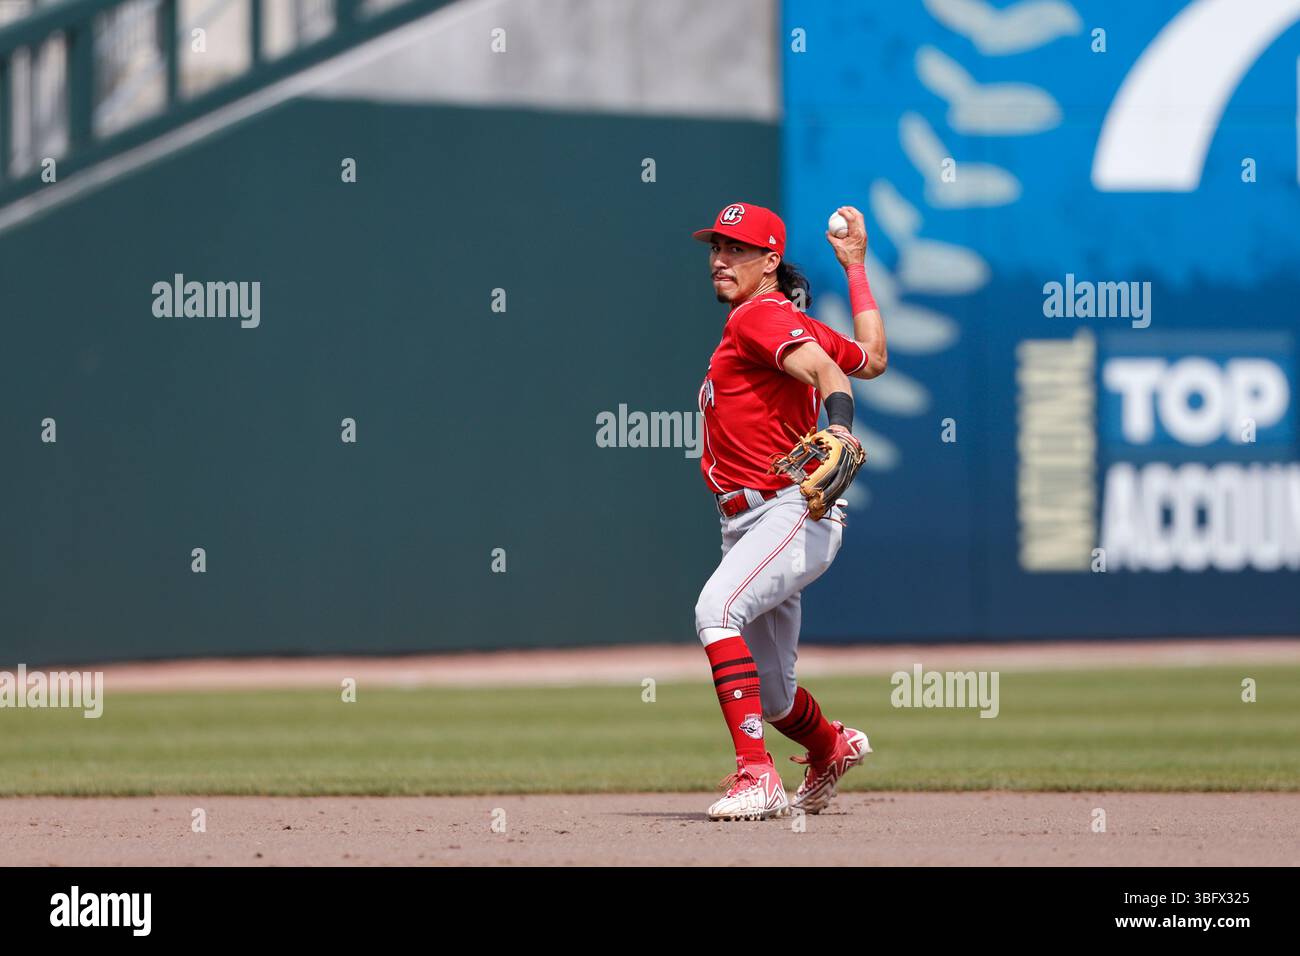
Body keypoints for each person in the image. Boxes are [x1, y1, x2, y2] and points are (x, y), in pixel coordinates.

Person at [691, 201, 888, 820]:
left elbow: (832, 370)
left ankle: (758, 776)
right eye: (717, 248)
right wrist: (855, 267)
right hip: (754, 518)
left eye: (738, 250)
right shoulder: (784, 317)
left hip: (787, 509)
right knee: (775, 698)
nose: (721, 260)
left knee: (715, 609)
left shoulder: (760, 317)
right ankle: (832, 746)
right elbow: (872, 356)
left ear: (770, 260)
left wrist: (841, 428)